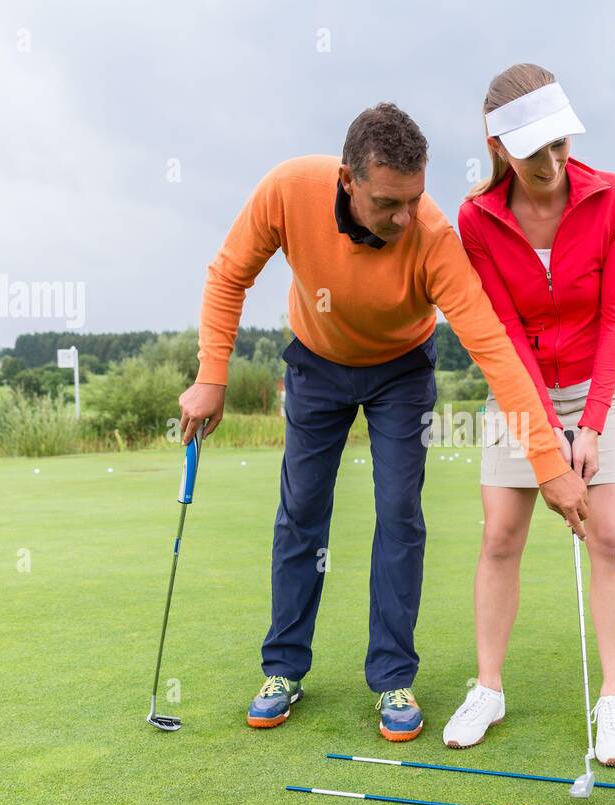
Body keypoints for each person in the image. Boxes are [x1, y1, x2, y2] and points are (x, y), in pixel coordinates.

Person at [176, 103, 589, 742]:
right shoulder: (288, 189)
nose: (405, 218)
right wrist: (211, 375)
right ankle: (284, 668)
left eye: (415, 198)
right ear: (348, 180)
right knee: (301, 512)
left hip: (402, 372)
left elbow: (494, 352)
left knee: (399, 513)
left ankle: (393, 676)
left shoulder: (432, 236)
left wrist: (548, 465)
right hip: (316, 365)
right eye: (388, 203)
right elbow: (229, 274)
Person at [441, 65, 615, 766]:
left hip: (603, 383)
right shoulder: (476, 220)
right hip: (520, 389)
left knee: (609, 531)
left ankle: (613, 699)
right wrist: (545, 440)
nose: (552, 164)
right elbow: (498, 331)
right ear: (498, 147)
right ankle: (489, 688)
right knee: (500, 534)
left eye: (561, 144)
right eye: (534, 152)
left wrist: (587, 425)